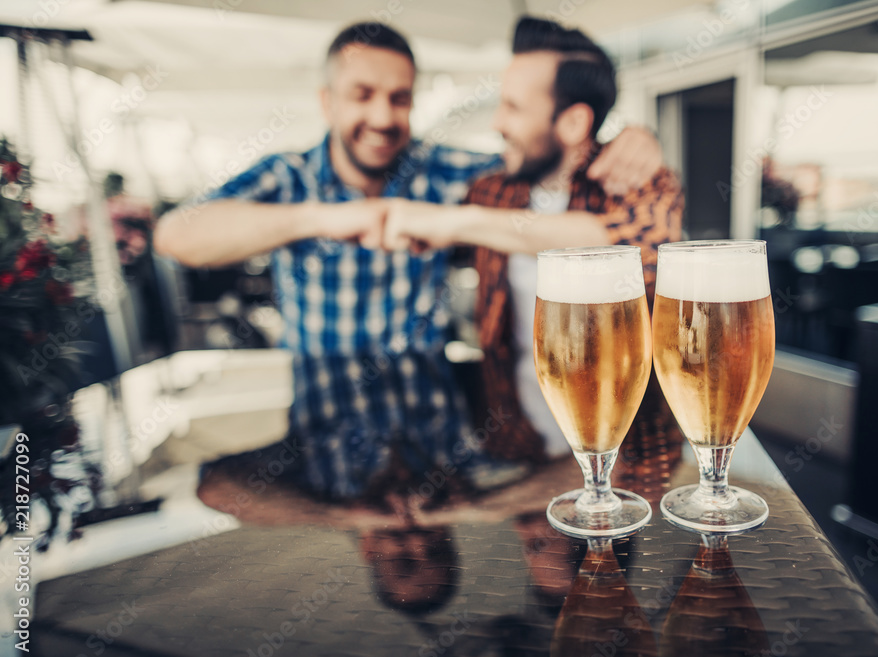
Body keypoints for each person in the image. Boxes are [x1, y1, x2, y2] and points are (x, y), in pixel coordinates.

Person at [154, 21, 665, 498]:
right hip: (324, 420)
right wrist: (321, 219)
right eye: (363, 95)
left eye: (399, 99)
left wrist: (630, 137)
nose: (383, 117)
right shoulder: (290, 177)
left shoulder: (439, 171)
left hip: (435, 430)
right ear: (327, 102)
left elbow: (547, 155)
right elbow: (176, 236)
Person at [379, 17, 685, 461]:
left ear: (574, 122)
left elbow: (633, 252)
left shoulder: (640, 181)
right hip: (516, 440)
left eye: (513, 107)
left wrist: (461, 222)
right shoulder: (492, 189)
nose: (497, 122)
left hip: (629, 445)